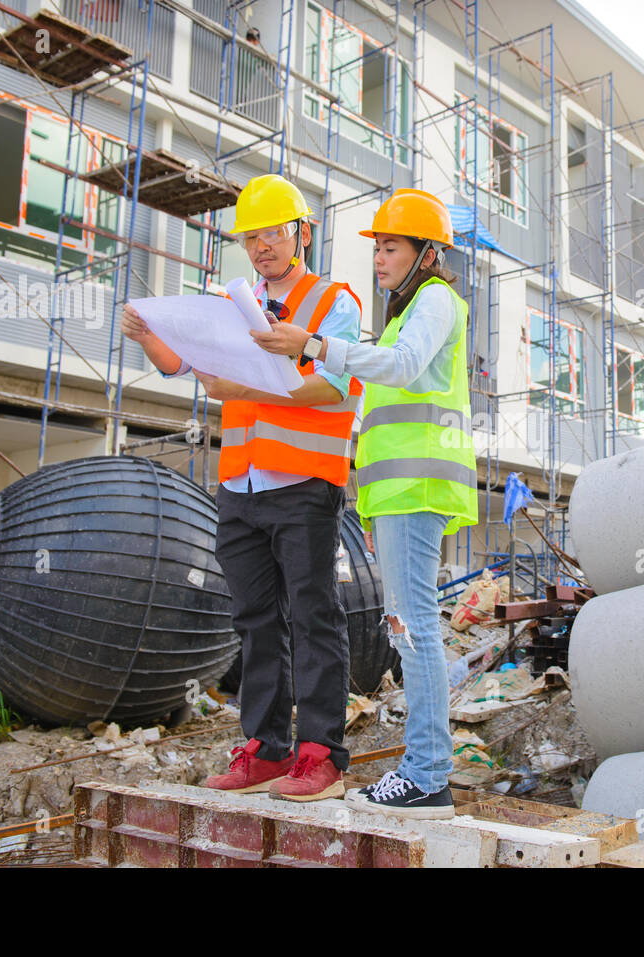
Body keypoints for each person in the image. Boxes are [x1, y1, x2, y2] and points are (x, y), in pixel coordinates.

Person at [121, 173, 362, 802]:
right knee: (255, 620)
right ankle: (265, 750)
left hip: (306, 481)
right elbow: (184, 365)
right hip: (241, 483)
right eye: (251, 238)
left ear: (300, 234)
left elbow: (337, 389)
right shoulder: (234, 303)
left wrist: (250, 388)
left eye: (272, 233)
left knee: (314, 617)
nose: (261, 247)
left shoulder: (333, 301)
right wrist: (148, 333)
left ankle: (321, 755)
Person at [251, 188, 477, 819]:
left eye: (391, 246)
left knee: (414, 626)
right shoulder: (408, 311)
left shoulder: (435, 300)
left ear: (426, 253)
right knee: (410, 624)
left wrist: (315, 345)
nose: (379, 258)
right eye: (376, 247)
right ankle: (425, 770)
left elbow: (402, 369)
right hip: (397, 491)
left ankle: (428, 774)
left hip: (416, 488)